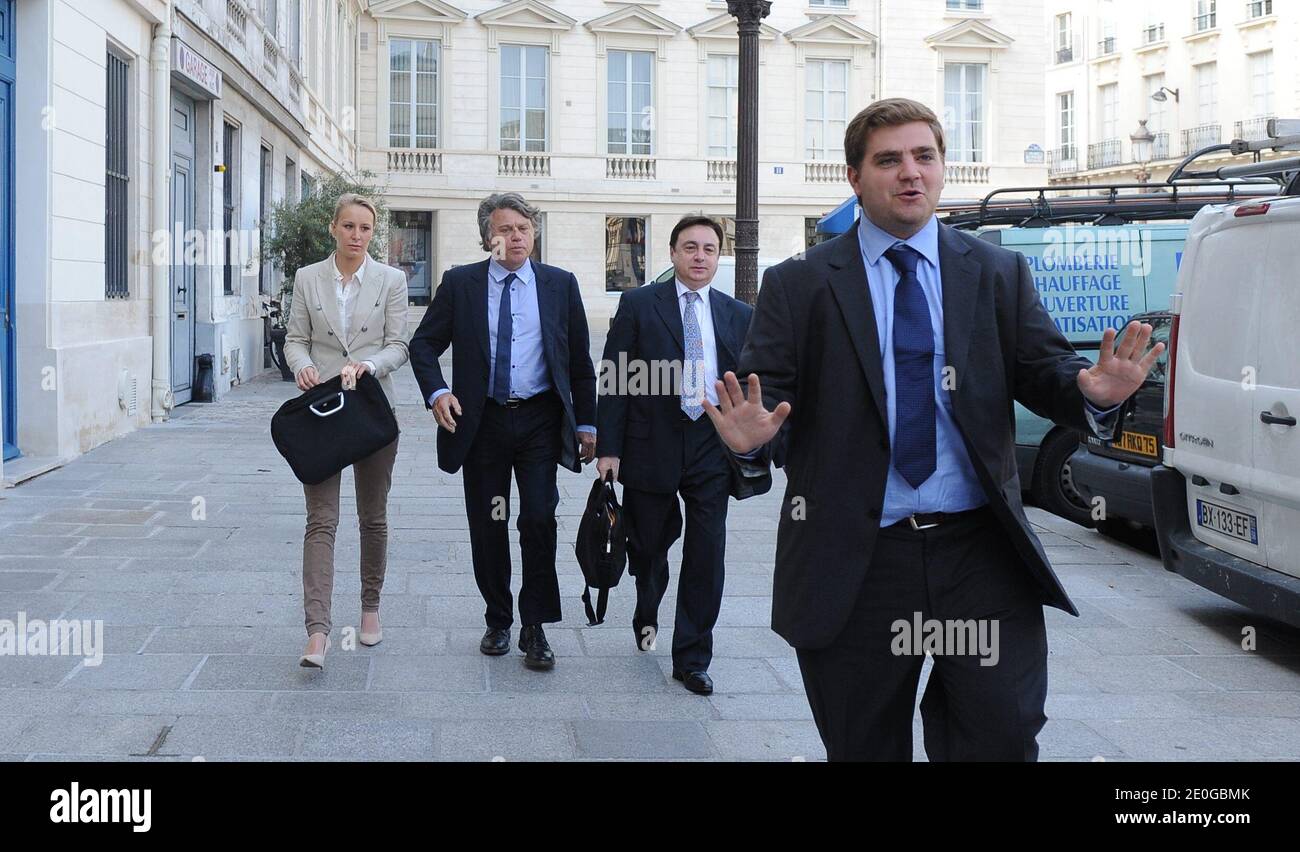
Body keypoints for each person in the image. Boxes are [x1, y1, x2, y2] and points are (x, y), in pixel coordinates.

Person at [706, 98, 1165, 760]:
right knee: (864, 746)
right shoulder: (800, 285)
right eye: (888, 160)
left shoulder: (994, 271)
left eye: (924, 156)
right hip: (856, 561)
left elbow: (1046, 371)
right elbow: (766, 405)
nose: (910, 173)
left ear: (943, 168)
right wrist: (750, 445)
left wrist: (1089, 394)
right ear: (855, 177)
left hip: (979, 554)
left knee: (1002, 734)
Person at [408, 193, 597, 670]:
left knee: (539, 518)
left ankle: (535, 625)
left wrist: (588, 422)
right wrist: (437, 393)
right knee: (489, 523)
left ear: (534, 233)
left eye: (524, 228)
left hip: (539, 420)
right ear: (486, 237)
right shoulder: (461, 284)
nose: (516, 237)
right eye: (505, 229)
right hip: (483, 421)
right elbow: (424, 345)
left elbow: (579, 361)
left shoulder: (559, 285)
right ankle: (498, 616)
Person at [596, 216, 754, 696]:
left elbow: (752, 381)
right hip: (651, 442)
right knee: (648, 547)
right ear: (672, 253)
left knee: (707, 551)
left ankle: (692, 657)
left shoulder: (737, 314)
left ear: (719, 255)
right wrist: (609, 448)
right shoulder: (640, 304)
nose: (700, 256)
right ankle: (647, 609)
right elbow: (615, 376)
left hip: (711, 444)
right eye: (690, 247)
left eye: (709, 248)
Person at [282, 193, 411, 670]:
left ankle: (370, 608)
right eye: (350, 227)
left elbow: (399, 344)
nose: (357, 236)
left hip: (373, 411)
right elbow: (296, 339)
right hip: (322, 414)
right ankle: (317, 631)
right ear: (333, 228)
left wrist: (371, 365)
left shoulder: (391, 280)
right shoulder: (306, 278)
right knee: (321, 520)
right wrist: (303, 366)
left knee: (372, 517)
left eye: (365, 229)